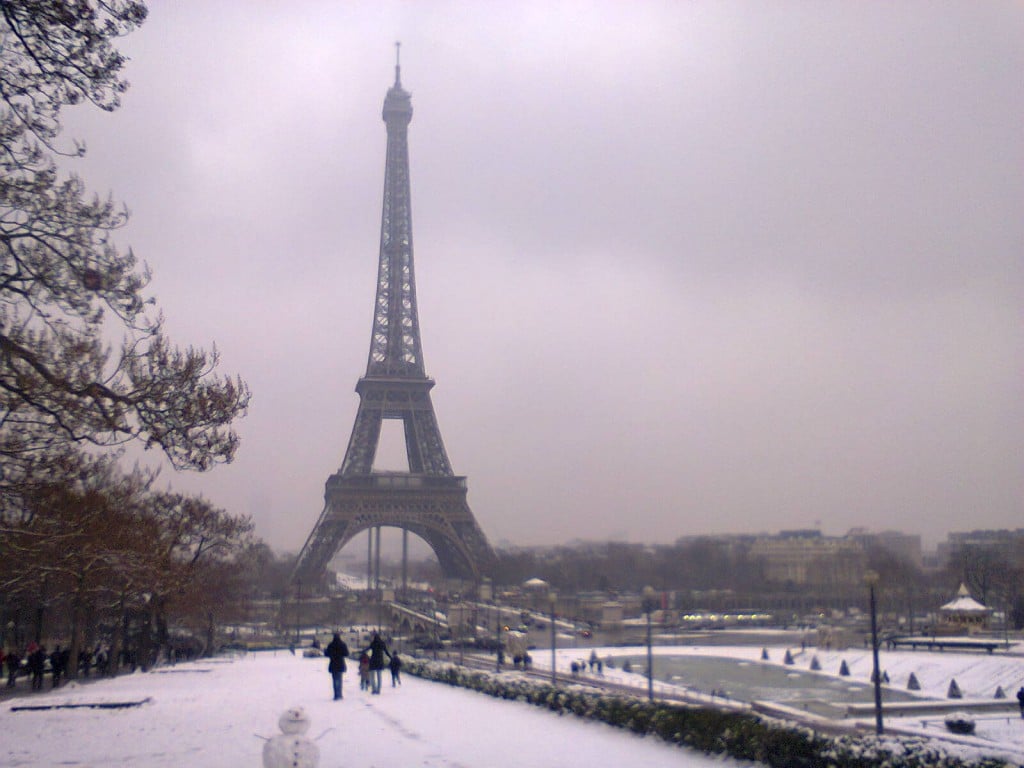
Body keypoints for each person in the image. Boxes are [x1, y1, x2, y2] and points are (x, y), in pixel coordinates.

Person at [324, 632, 349, 701]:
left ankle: (336, 695)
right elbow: (346, 653)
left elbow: (327, 654)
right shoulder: (343, 644)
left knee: (334, 679)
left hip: (333, 663)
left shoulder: (331, 645)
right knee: (340, 679)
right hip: (340, 663)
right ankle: (340, 694)